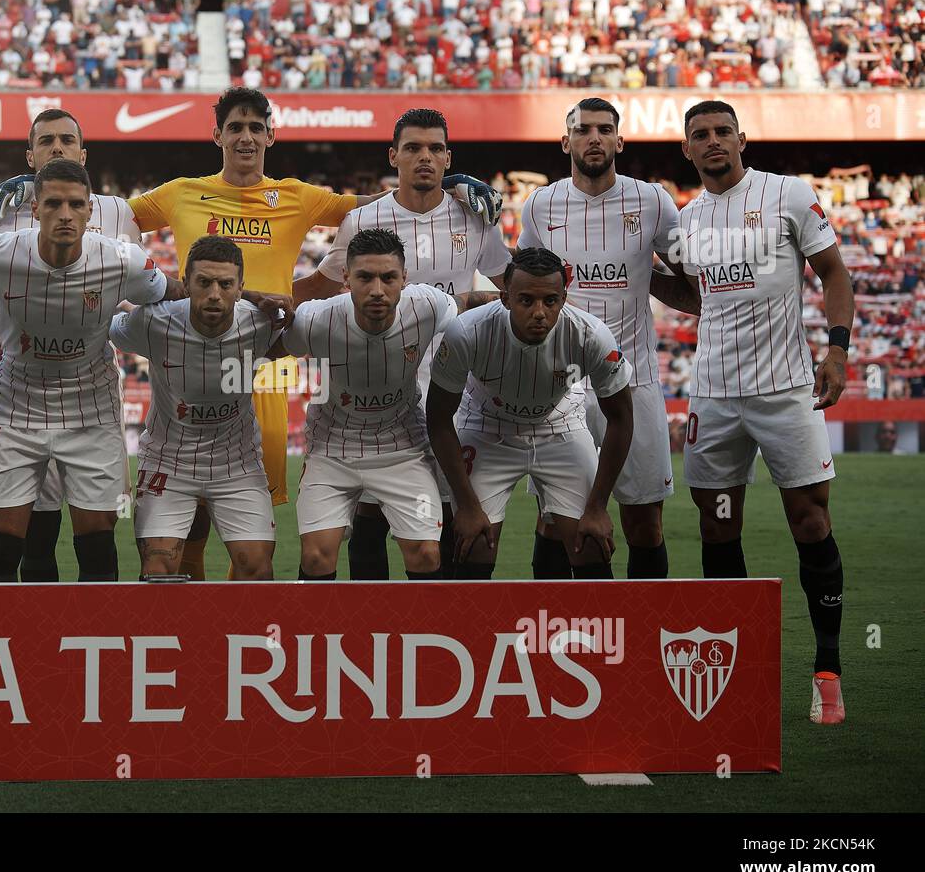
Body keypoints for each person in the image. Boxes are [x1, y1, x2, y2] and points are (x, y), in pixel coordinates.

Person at [0, 87, 500, 580]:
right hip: (193, 355)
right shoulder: (183, 193)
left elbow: (380, 205)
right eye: (235, 127)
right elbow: (94, 211)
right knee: (191, 526)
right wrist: (35, 188)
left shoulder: (297, 197)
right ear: (218, 136)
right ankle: (197, 621)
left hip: (265, 365)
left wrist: (455, 186)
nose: (246, 137)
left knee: (248, 519)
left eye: (256, 127)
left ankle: (235, 615)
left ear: (270, 136)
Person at [0, 159, 180, 583]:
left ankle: (93, 646)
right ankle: (2, 643)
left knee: (97, 543)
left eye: (76, 204)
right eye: (53, 203)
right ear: (35, 209)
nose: (65, 214)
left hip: (91, 409)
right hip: (15, 408)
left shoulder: (123, 260)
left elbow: (174, 291)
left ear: (90, 211)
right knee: (1, 547)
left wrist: (243, 296)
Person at [672, 100, 854, 724]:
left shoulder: (789, 195)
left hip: (786, 391)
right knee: (719, 525)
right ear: (687, 150)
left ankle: (827, 670)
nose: (714, 141)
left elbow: (832, 272)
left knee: (809, 520)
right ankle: (741, 678)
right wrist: (640, 277)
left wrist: (837, 349)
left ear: (742, 139)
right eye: (701, 135)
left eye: (723, 131)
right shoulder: (688, 220)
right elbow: (695, 296)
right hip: (716, 398)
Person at [294, 107, 511, 580]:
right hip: (384, 389)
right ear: (394, 156)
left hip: (456, 386)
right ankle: (374, 636)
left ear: (448, 157)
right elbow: (323, 288)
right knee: (370, 519)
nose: (424, 157)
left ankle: (445, 632)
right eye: (413, 148)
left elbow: (511, 291)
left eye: (435, 148)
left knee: (453, 518)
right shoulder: (363, 220)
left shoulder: (475, 215)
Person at [517, 97, 699, 580]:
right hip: (561, 387)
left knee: (644, 523)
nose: (593, 138)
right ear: (565, 142)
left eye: (603, 130)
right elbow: (522, 290)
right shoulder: (539, 205)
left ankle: (640, 640)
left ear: (619, 140)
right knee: (557, 520)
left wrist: (646, 276)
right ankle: (559, 640)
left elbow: (695, 286)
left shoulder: (654, 201)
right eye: (582, 130)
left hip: (633, 381)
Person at [0, 108, 140, 581]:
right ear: (30, 154)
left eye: (67, 140)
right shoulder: (2, 209)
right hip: (22, 388)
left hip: (90, 390)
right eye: (45, 141)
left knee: (98, 526)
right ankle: (35, 640)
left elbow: (132, 287)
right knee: (36, 533)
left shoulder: (116, 212)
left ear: (83, 154)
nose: (57, 148)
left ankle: (91, 639)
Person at [282, 228, 496, 580]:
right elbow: (266, 346)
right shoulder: (315, 319)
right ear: (346, 279)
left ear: (404, 279)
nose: (377, 290)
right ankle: (319, 635)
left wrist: (512, 297)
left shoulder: (425, 304)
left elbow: (466, 301)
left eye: (388, 278)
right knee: (317, 556)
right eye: (365, 277)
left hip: (403, 447)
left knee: (426, 554)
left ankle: (421, 634)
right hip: (332, 448)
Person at [426, 246, 634, 580]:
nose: (539, 312)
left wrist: (597, 507)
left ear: (564, 298)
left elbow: (622, 418)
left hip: (559, 423)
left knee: (591, 541)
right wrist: (464, 505)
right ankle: (474, 631)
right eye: (526, 300)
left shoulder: (592, 335)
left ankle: (582, 630)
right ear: (505, 298)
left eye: (550, 301)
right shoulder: (466, 332)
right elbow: (437, 419)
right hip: (486, 425)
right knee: (473, 543)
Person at [109, 236, 282, 580]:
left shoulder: (263, 324)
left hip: (239, 464)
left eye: (226, 284)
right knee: (159, 568)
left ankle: (242, 636)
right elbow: (101, 325)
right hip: (167, 463)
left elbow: (320, 332)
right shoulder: (153, 321)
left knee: (257, 568)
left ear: (241, 287)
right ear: (186, 283)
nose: (215, 294)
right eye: (204, 282)